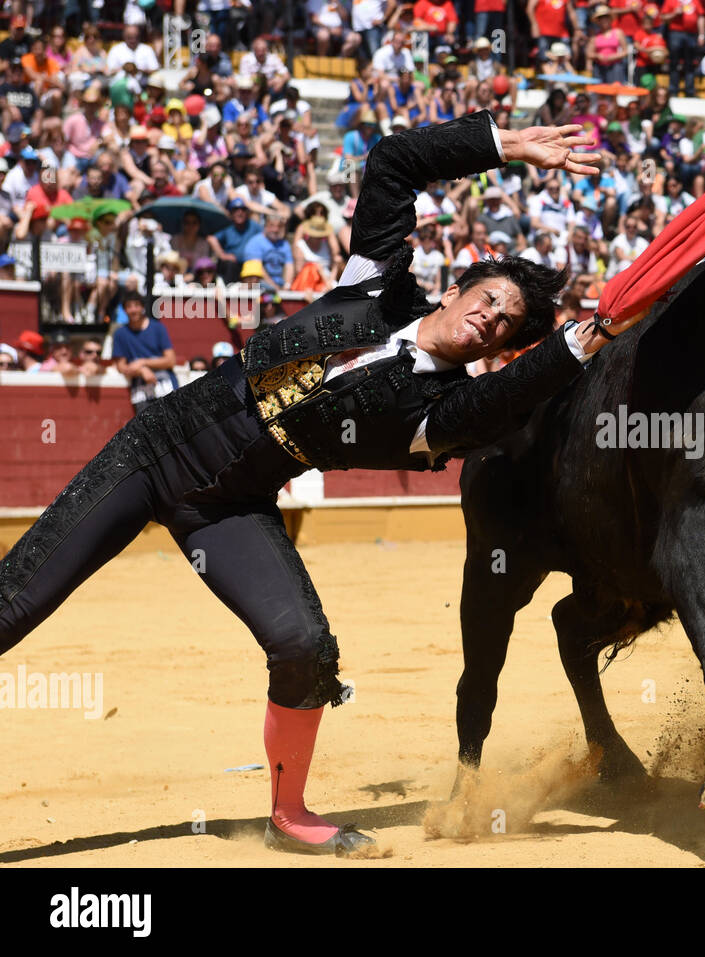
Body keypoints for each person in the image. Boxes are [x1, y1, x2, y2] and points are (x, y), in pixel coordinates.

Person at [0, 115, 650, 859]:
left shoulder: (438, 412)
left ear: (500, 348)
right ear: (462, 285)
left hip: (229, 505)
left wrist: (581, 341)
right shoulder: (375, 283)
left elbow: (502, 401)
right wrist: (504, 146)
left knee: (305, 646)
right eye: (491, 298)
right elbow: (393, 162)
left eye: (504, 326)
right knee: (13, 603)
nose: (489, 319)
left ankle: (290, 813)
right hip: (154, 451)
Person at [112, 290, 180, 414]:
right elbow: (121, 367)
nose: (133, 310)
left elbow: (171, 361)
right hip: (141, 392)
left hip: (166, 386)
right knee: (147, 432)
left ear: (142, 307)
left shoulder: (158, 328)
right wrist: (141, 370)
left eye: (136, 305)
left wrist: (143, 362)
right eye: (129, 306)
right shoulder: (120, 334)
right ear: (124, 310)